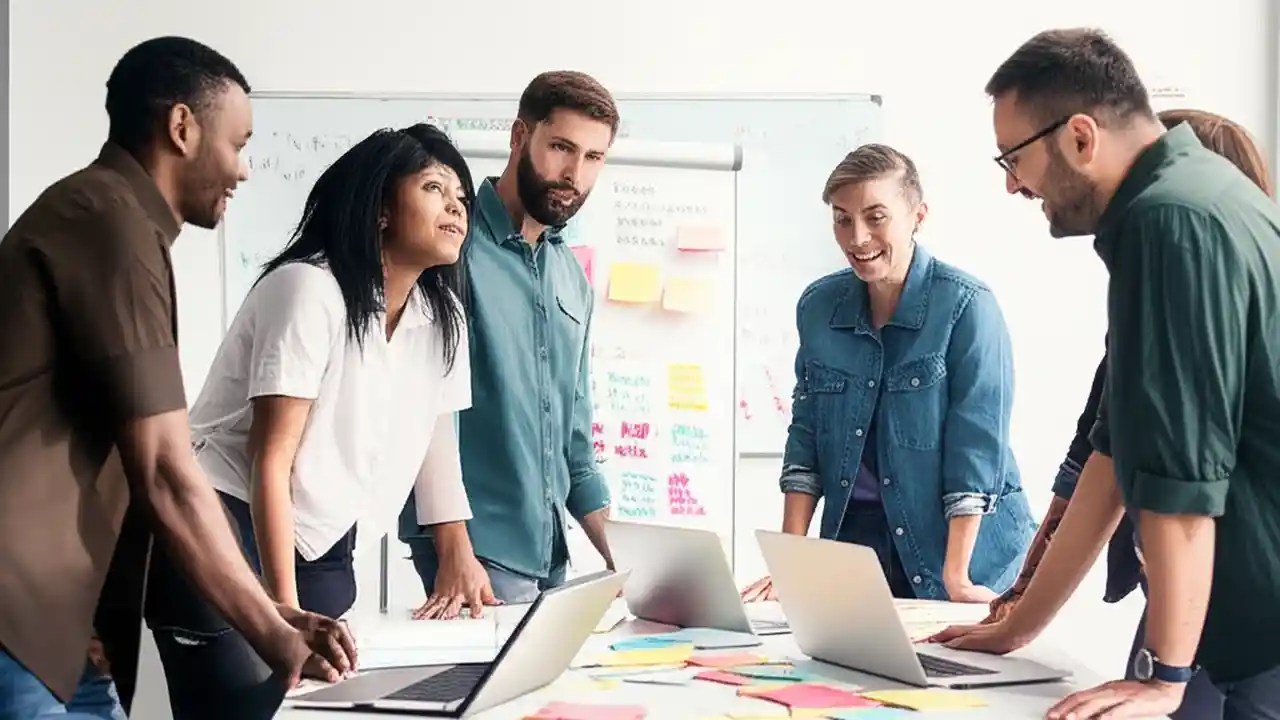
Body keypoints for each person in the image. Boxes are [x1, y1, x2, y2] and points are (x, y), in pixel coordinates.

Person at [0, 35, 355, 720]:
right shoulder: (111, 222)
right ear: (182, 127)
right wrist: (272, 634)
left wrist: (271, 613)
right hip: (18, 620)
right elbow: (165, 469)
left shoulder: (108, 218)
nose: (244, 170)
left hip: (58, 628)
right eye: (238, 143)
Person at [931, 28, 1280, 720]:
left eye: (1015, 157)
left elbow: (1185, 475)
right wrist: (1019, 623)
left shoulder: (1170, 221)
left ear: (1081, 137)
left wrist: (1165, 677)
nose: (1011, 184)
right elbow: (1112, 457)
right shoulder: (1188, 201)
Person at [134, 123, 476, 717]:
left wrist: (456, 549)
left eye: (461, 197)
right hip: (227, 525)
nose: (455, 206)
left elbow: (434, 434)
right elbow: (271, 460)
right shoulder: (308, 290)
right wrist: (281, 616)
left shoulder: (439, 316)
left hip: (324, 539)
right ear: (380, 211)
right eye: (433, 188)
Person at [739, 143, 1035, 604]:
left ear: (918, 215)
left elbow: (977, 448)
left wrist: (955, 576)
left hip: (966, 545)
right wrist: (790, 562)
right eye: (842, 219)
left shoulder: (966, 306)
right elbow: (807, 436)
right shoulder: (819, 307)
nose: (857, 238)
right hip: (860, 539)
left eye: (876, 217)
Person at [400, 70, 619, 609]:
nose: (574, 174)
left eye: (593, 158)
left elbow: (574, 440)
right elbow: (424, 413)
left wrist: (629, 558)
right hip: (474, 553)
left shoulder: (572, 276)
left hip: (549, 558)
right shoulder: (451, 246)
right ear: (520, 136)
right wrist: (454, 549)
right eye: (561, 148)